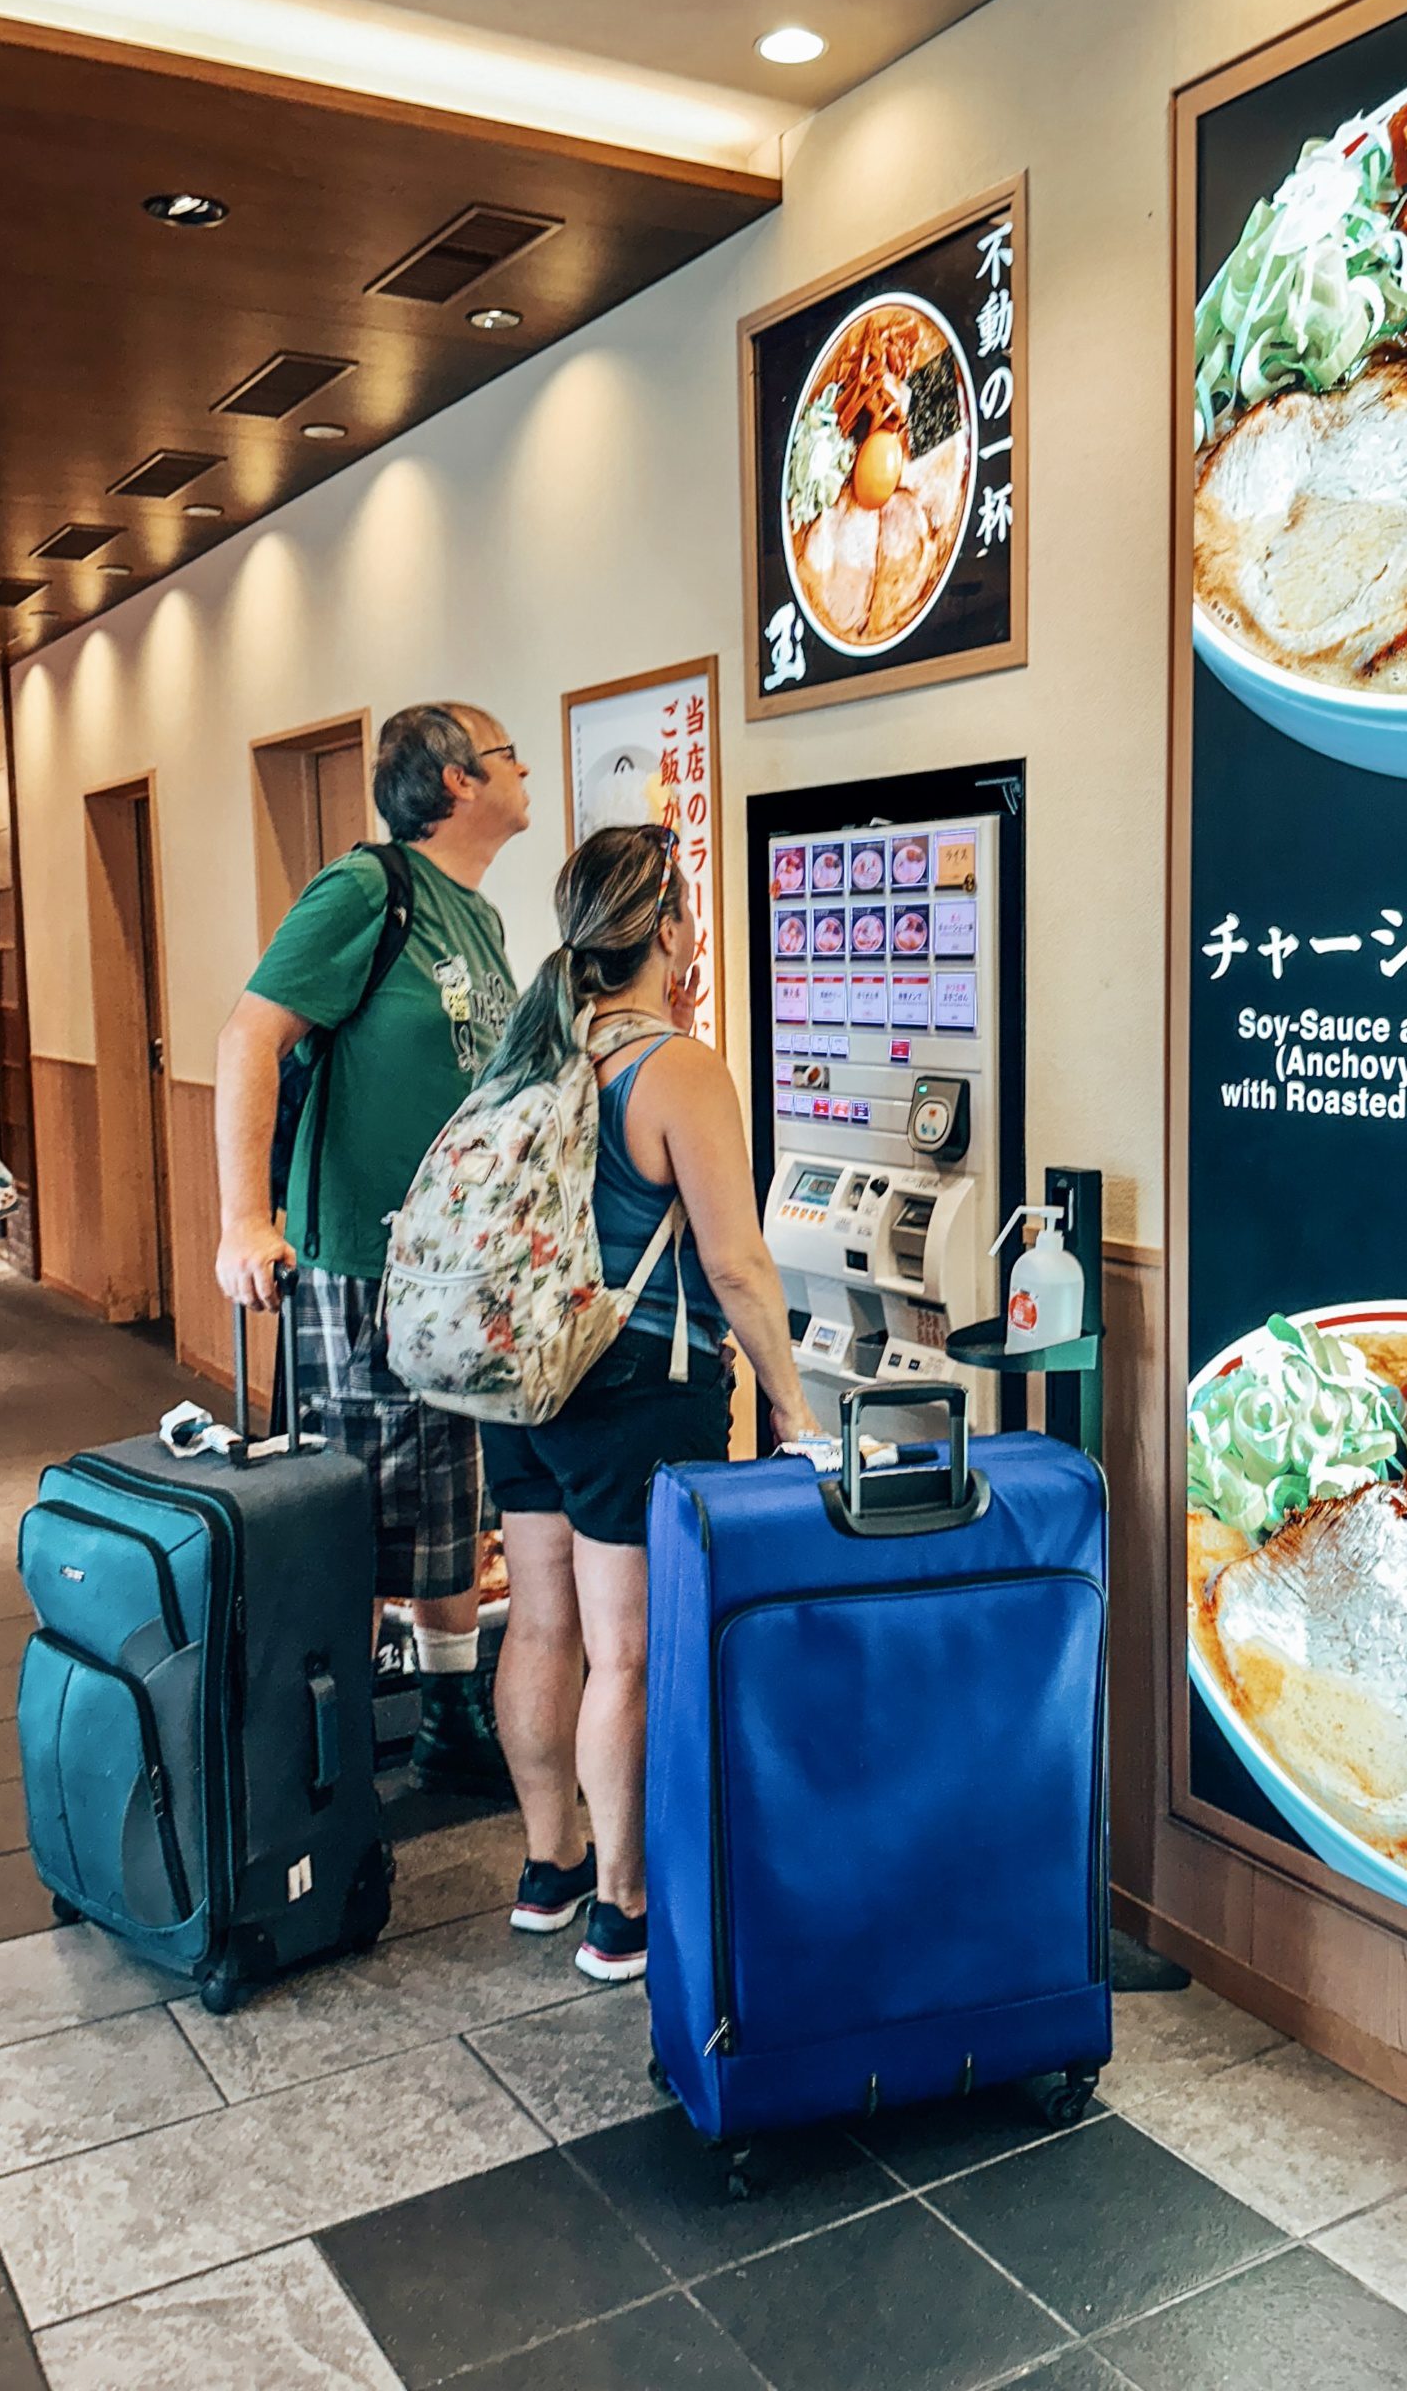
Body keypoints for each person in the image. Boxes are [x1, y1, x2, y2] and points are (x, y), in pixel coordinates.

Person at [479, 824, 819, 1983]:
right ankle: (620, 1913)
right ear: (670, 929)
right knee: (623, 1651)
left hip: (517, 1377)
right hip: (632, 1384)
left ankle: (547, 1868)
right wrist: (794, 1406)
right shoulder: (675, 1069)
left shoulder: (528, 1053)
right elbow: (737, 1266)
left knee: (538, 1622)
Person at [214, 704, 528, 1794]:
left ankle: (447, 1708)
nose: (521, 768)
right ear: (451, 781)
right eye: (506, 754)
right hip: (358, 1260)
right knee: (354, 1509)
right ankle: (327, 1735)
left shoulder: (476, 918)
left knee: (447, 1500)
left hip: (455, 1270)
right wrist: (244, 1219)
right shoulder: (367, 888)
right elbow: (251, 1034)